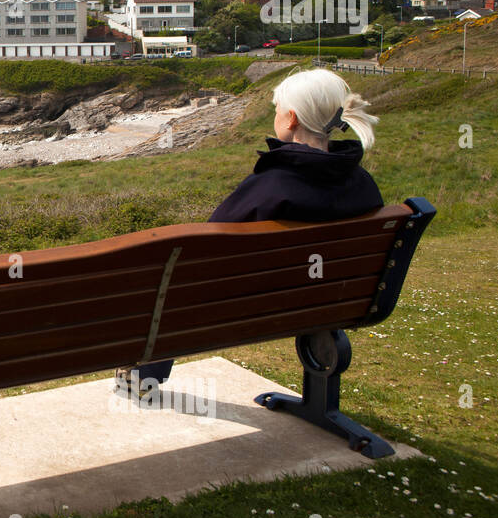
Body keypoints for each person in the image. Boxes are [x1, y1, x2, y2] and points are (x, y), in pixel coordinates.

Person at [117, 67, 384, 396]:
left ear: (291, 119)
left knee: (171, 288)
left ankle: (143, 377)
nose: (275, 115)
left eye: (276, 110)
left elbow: (206, 244)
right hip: (330, 301)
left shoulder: (274, 185)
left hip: (249, 307)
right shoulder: (362, 183)